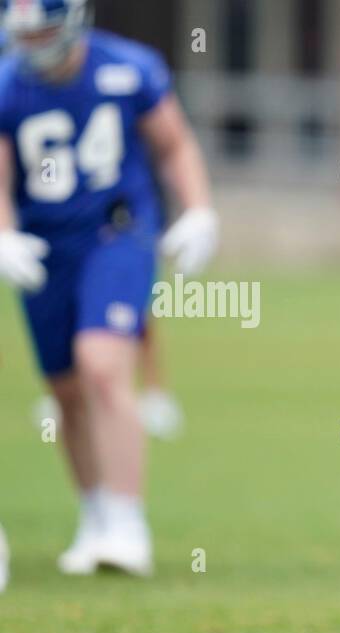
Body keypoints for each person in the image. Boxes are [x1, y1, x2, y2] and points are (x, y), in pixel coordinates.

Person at [0, 0, 218, 576]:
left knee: (100, 364)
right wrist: (3, 233)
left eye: (43, 28)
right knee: (66, 389)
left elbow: (173, 143)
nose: (33, 41)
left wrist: (198, 211)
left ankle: (127, 521)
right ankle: (95, 514)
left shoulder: (129, 68)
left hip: (116, 232)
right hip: (44, 246)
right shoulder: (7, 83)